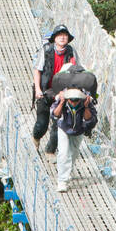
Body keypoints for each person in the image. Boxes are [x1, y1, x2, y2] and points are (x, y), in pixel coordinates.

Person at [32, 24, 81, 155]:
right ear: (54, 38)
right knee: (41, 124)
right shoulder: (46, 50)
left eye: (65, 35)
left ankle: (50, 151)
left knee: (57, 125)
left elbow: (77, 72)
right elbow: (37, 70)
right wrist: (37, 89)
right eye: (60, 35)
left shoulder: (71, 52)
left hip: (62, 93)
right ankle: (36, 138)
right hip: (45, 90)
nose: (62, 38)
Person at [50, 86, 97, 192]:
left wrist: (86, 107)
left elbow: (90, 120)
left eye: (76, 101)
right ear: (68, 99)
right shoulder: (62, 100)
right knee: (63, 153)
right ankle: (62, 181)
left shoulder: (87, 102)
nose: (74, 103)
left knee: (74, 153)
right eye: (71, 100)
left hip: (79, 130)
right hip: (64, 128)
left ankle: (67, 172)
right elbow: (54, 116)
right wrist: (61, 103)